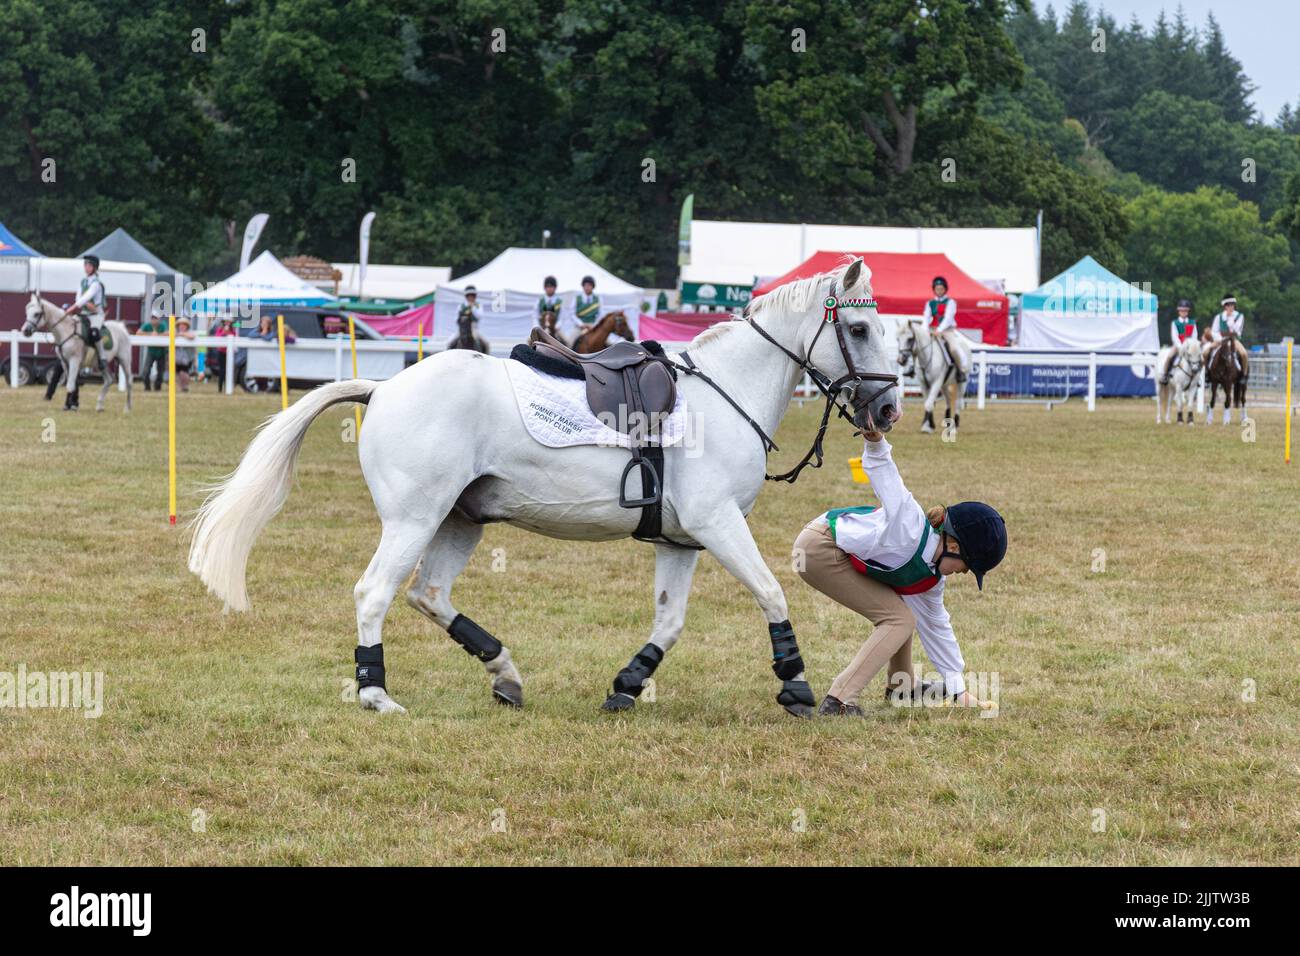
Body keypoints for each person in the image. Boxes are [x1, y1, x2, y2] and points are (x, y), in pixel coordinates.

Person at [792, 424, 1007, 716]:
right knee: (899, 619)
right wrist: (875, 439)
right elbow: (885, 474)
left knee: (903, 608)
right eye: (968, 566)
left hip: (831, 552)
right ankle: (839, 701)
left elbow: (936, 626)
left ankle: (902, 686)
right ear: (954, 547)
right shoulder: (909, 524)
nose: (966, 573)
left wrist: (959, 691)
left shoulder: (931, 579)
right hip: (817, 547)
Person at [62, 255, 109, 373]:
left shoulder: (96, 283)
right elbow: (78, 297)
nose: (86, 268)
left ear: (94, 268)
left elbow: (85, 297)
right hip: (84, 312)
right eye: (85, 265)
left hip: (96, 315)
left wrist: (73, 307)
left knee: (94, 332)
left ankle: (102, 357)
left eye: (89, 265)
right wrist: (81, 303)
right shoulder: (82, 281)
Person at [922, 276, 967, 380]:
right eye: (937, 289)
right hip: (932, 330)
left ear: (945, 289)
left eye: (941, 289)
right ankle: (915, 368)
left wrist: (939, 330)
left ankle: (961, 370)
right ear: (934, 289)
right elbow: (926, 317)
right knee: (919, 346)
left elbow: (948, 318)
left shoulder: (950, 302)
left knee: (954, 348)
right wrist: (924, 330)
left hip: (946, 330)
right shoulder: (930, 303)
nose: (939, 291)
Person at [1158, 299, 1198, 384]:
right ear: (1179, 311)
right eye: (1182, 311)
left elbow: (1194, 335)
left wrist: (1191, 345)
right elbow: (1174, 336)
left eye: (1185, 311)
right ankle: (1165, 374)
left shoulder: (1192, 322)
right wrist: (1180, 346)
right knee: (1169, 356)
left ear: (1188, 312)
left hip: (1190, 347)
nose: (1183, 312)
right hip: (1178, 346)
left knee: (1199, 357)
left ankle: (1199, 378)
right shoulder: (1175, 323)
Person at [1204, 294, 1248, 373]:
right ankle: (1207, 372)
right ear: (1225, 306)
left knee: (1243, 353)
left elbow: (1237, 330)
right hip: (1220, 340)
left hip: (1233, 340)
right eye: (1228, 305)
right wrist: (1220, 339)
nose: (1230, 307)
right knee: (1205, 352)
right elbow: (1214, 331)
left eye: (1232, 305)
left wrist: (1230, 321)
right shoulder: (1219, 317)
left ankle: (1243, 374)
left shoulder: (1239, 316)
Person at [139, 307, 168, 391]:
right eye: (152, 318)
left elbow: (168, 333)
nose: (154, 320)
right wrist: (151, 333)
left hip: (161, 351)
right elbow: (138, 332)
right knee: (146, 371)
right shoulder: (147, 325)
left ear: (159, 319)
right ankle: (147, 387)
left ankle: (157, 388)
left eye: (155, 318)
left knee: (160, 372)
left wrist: (157, 334)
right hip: (151, 351)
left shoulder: (163, 325)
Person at [174, 316, 197, 392]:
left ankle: (185, 386)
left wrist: (182, 334)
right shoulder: (175, 332)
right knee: (179, 374)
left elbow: (192, 337)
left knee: (184, 373)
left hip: (187, 358)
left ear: (187, 326)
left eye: (184, 325)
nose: (182, 326)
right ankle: (182, 387)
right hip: (177, 358)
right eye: (180, 325)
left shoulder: (190, 332)